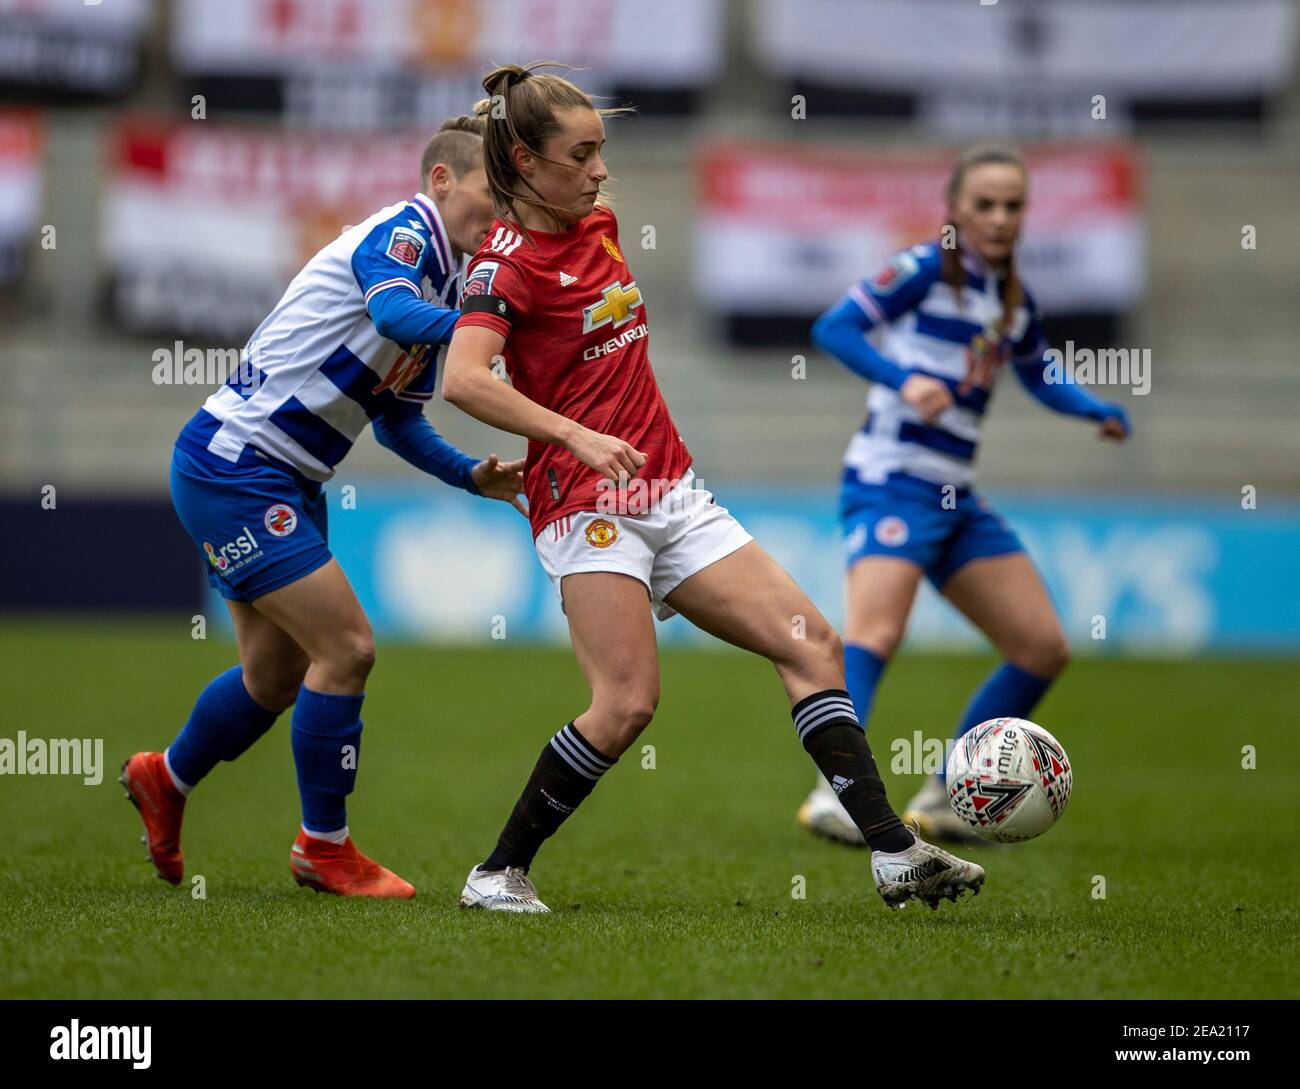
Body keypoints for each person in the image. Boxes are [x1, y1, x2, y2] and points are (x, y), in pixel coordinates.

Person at [440, 62, 986, 914]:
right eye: (581, 155)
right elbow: (464, 380)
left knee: (811, 642)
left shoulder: (601, 224)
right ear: (523, 159)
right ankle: (496, 872)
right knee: (625, 704)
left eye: (602, 152)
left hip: (671, 489)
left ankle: (892, 851)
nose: (599, 170)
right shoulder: (503, 267)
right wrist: (573, 432)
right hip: (586, 503)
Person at [120, 115, 525, 898]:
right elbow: (393, 316)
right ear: (442, 182)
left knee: (274, 677)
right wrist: (492, 325)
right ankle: (323, 846)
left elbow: (399, 419)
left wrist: (471, 475)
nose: (503, 213)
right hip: (237, 467)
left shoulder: (445, 279)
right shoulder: (406, 234)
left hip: (284, 479)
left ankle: (164, 777)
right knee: (349, 647)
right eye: (492, 192)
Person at [797, 144, 1131, 847]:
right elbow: (834, 327)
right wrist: (902, 378)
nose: (1001, 217)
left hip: (957, 499)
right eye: (986, 204)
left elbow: (1040, 374)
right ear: (954, 210)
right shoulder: (921, 270)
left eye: (1014, 205)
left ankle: (948, 792)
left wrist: (1093, 407)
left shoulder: (1010, 301)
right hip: (891, 482)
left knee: (1041, 647)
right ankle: (837, 790)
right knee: (875, 630)